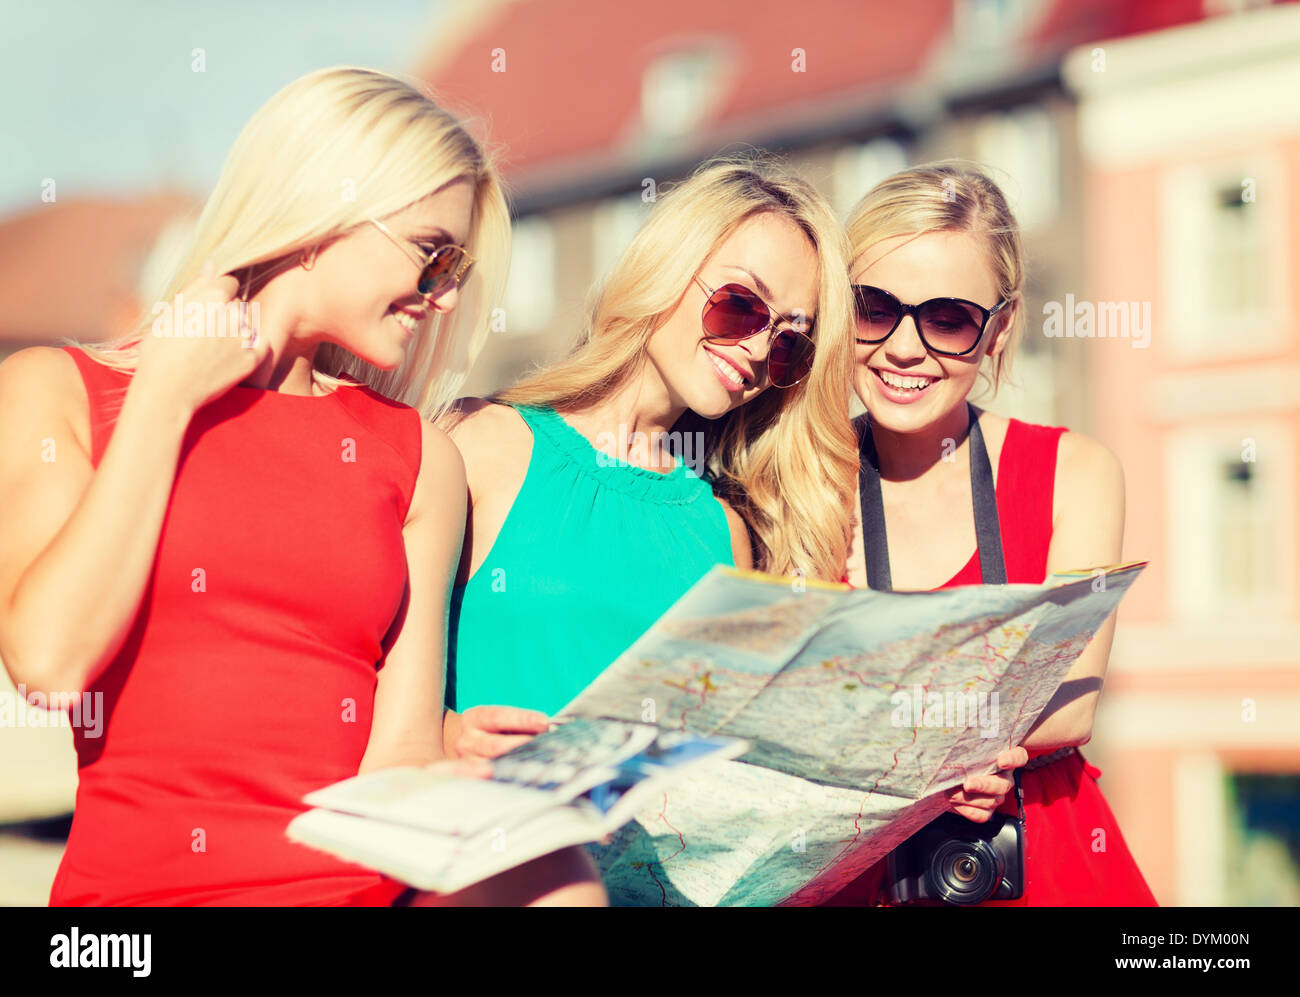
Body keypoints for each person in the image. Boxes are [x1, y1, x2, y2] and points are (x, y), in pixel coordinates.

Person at [0, 66, 603, 906]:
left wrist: (469, 768)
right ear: (323, 214)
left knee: (556, 873)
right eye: (433, 254)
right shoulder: (56, 391)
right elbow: (48, 664)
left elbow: (397, 758)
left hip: (350, 885)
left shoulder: (421, 458)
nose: (445, 296)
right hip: (138, 906)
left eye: (457, 269)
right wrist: (167, 396)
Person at [438, 154, 1023, 858]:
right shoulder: (480, 445)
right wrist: (445, 736)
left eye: (788, 342)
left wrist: (938, 776)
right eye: (740, 306)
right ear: (667, 265)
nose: (755, 350)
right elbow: (355, 673)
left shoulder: (725, 533)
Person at [826, 161, 1156, 906]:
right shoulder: (798, 478)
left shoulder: (1074, 471)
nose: (904, 348)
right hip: (860, 872)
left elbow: (1070, 702)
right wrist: (963, 738)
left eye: (948, 319)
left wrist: (896, 737)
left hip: (1049, 863)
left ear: (999, 328)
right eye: (874, 308)